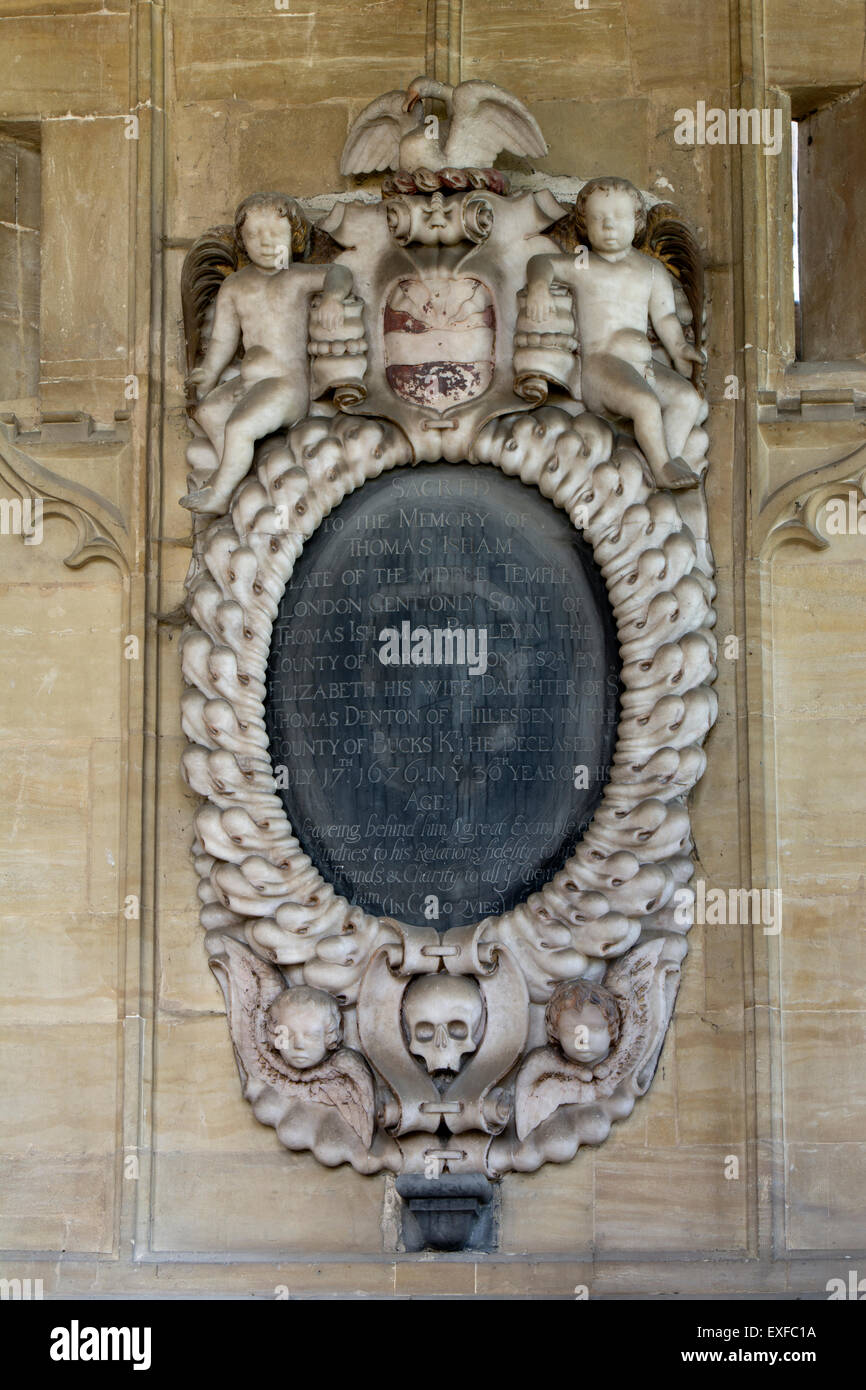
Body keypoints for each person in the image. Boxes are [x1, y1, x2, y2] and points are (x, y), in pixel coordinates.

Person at [525, 177, 706, 489]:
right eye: (598, 218)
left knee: (687, 400)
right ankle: (662, 465)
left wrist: (679, 348)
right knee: (646, 404)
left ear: (637, 223)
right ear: (584, 224)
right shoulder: (584, 264)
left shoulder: (650, 270)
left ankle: (660, 461)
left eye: (619, 217)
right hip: (601, 369)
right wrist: (540, 285)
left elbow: (664, 316)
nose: (609, 226)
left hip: (644, 368)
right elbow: (543, 262)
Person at [181, 192, 354, 514]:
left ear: (295, 236)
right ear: (242, 240)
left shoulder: (297, 277)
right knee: (208, 412)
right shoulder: (235, 285)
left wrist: (332, 297)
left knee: (239, 427)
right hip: (250, 382)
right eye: (253, 235)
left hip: (286, 385)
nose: (264, 242)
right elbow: (222, 342)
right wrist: (208, 374)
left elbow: (339, 273)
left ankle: (220, 492)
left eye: (275, 233)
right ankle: (235, 474)